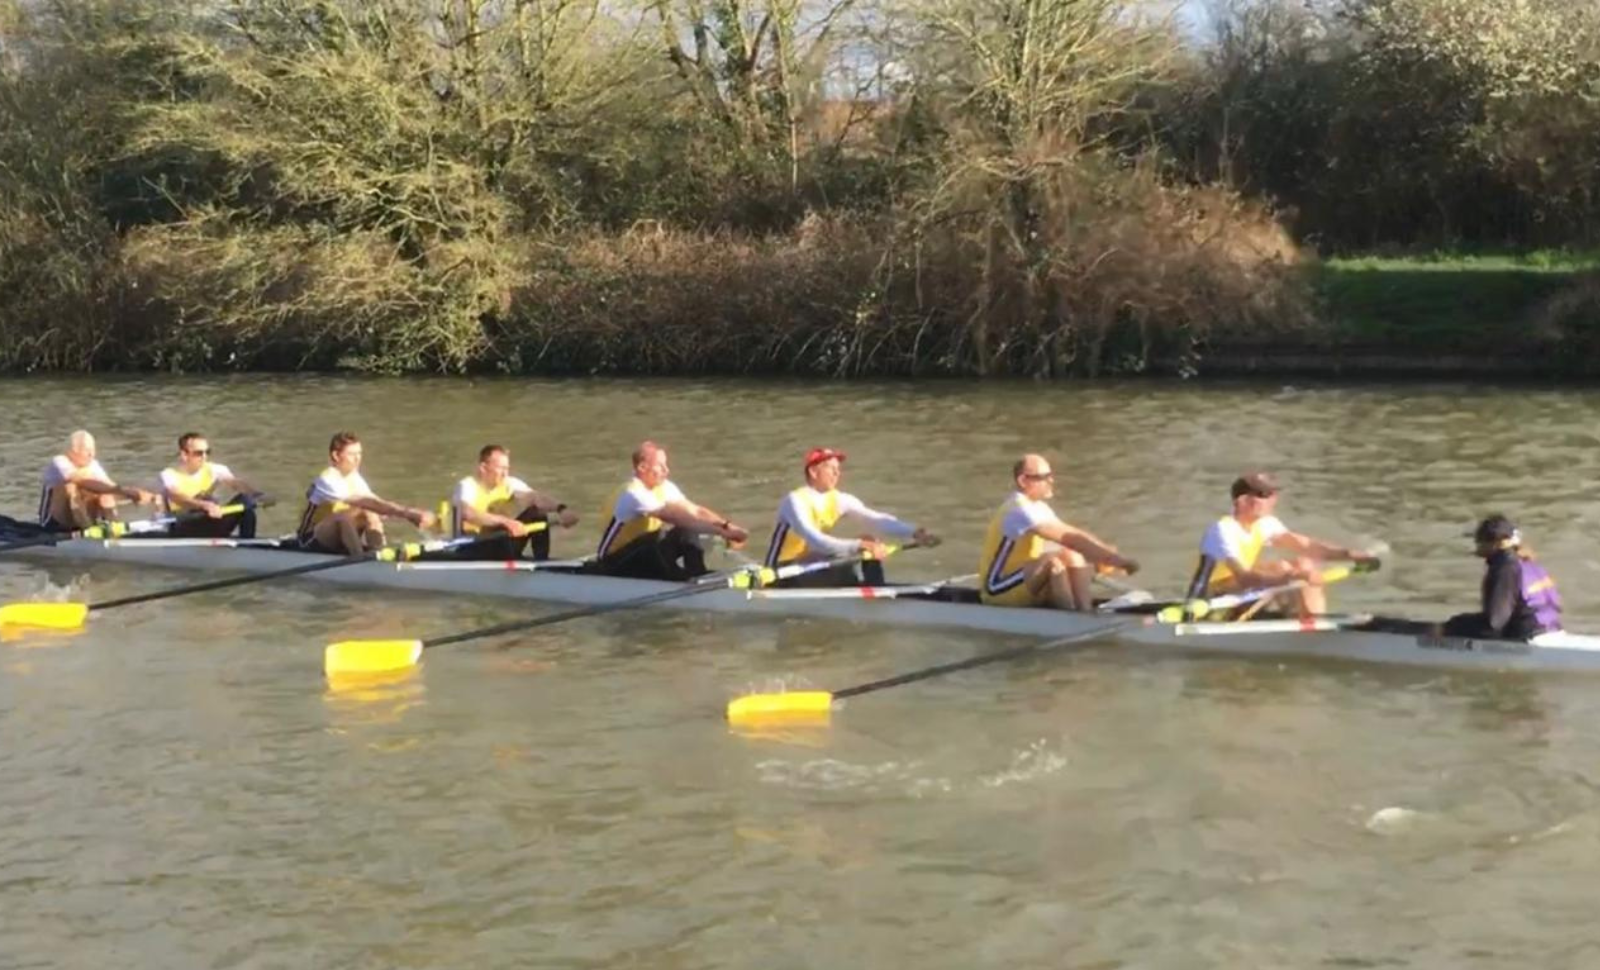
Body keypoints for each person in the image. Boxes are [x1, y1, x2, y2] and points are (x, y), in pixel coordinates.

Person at [1185, 471, 1377, 617]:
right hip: (1213, 596)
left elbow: (1308, 546)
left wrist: (1349, 554)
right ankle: (1307, 629)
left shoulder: (1266, 523)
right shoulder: (1222, 529)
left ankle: (1311, 621)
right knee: (1287, 569)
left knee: (1303, 564)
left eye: (1273, 494)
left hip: (1243, 589)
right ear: (1242, 501)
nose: (1273, 499)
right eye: (1264, 494)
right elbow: (1245, 578)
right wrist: (1292, 577)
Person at [978, 453, 1139, 611]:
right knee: (1053, 561)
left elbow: (1072, 540)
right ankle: (1070, 618)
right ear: (1023, 481)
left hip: (1024, 582)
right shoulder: (1019, 510)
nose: (1051, 480)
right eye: (1044, 477)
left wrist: (1099, 559)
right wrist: (1114, 559)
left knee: (1071, 555)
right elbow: (1070, 538)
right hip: (997, 590)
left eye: (1051, 475)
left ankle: (1084, 611)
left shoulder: (1039, 507)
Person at [763, 447, 937, 587]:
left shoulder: (838, 499)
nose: (837, 474)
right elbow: (816, 541)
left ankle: (875, 593)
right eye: (831, 469)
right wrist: (859, 546)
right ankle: (866, 597)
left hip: (813, 564)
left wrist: (914, 532)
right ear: (814, 472)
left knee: (869, 540)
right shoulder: (794, 501)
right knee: (862, 546)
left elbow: (875, 519)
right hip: (781, 573)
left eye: (838, 469)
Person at [595, 440, 749, 581]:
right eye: (660, 466)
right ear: (642, 468)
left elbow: (695, 512)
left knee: (686, 531)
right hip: (613, 563)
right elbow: (674, 517)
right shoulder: (633, 493)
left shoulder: (664, 486)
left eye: (666, 465)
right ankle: (678, 579)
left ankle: (697, 574)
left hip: (642, 553)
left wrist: (726, 527)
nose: (666, 470)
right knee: (658, 538)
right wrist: (722, 532)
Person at [297, 431, 437, 555]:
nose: (358, 459)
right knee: (344, 517)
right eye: (352, 454)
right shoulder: (327, 479)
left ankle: (379, 553)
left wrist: (411, 517)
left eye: (359, 454)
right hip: (310, 539)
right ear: (336, 456)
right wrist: (408, 512)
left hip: (338, 534)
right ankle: (359, 560)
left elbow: (377, 504)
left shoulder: (355, 478)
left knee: (371, 512)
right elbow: (365, 502)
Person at [1439, 514, 1562, 639]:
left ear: (1496, 543)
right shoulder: (1529, 562)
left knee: (1452, 626)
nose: (1478, 545)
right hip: (1553, 630)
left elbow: (1495, 622)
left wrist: (1450, 627)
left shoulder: (1506, 567)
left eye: (1481, 540)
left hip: (1527, 638)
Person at [449, 444, 579, 560]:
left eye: (507, 468)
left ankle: (542, 563)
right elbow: (468, 514)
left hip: (501, 543)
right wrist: (506, 522)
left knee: (537, 513)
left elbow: (535, 498)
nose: (506, 473)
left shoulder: (509, 484)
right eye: (501, 468)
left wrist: (561, 509)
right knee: (506, 525)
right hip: (471, 549)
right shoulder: (467, 486)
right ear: (483, 468)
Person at [37, 430, 160, 531]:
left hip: (80, 518)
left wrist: (140, 495)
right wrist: (122, 492)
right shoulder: (60, 461)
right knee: (71, 486)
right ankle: (87, 530)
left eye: (93, 450)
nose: (92, 455)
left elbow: (111, 487)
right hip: (53, 522)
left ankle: (114, 528)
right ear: (73, 451)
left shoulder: (93, 464)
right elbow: (80, 480)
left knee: (106, 495)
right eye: (87, 450)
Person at [159, 432, 267, 539]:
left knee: (246, 500)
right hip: (184, 527)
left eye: (207, 452)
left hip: (210, 522)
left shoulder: (215, 469)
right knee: (208, 499)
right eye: (199, 453)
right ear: (184, 455)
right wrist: (204, 505)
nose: (204, 457)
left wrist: (257, 495)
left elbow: (235, 483)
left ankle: (248, 544)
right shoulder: (169, 475)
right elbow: (176, 497)